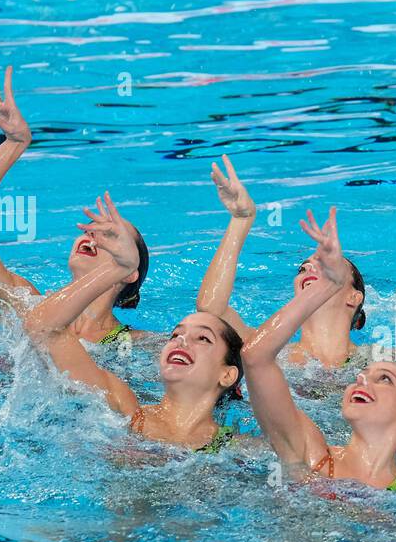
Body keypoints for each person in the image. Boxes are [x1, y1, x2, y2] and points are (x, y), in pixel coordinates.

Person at [15, 186, 246, 454]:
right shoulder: (127, 410)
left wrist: (241, 220)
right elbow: (42, 328)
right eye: (175, 335)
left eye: (203, 338)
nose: (180, 341)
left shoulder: (243, 449)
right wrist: (118, 267)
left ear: (227, 374)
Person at [0, 66, 150, 346]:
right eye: (91, 229)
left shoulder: (138, 345)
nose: (92, 235)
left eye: (110, 235)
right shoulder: (24, 304)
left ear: (131, 271)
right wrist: (14, 144)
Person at [242, 208, 396, 491]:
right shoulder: (313, 457)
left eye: (384, 379)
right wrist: (328, 284)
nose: (361, 379)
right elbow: (255, 356)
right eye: (362, 376)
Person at [194, 157, 371, 370]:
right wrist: (241, 219)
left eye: (327, 265)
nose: (309, 268)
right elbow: (211, 309)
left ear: (354, 297)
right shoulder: (268, 350)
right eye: (302, 269)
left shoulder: (381, 360)